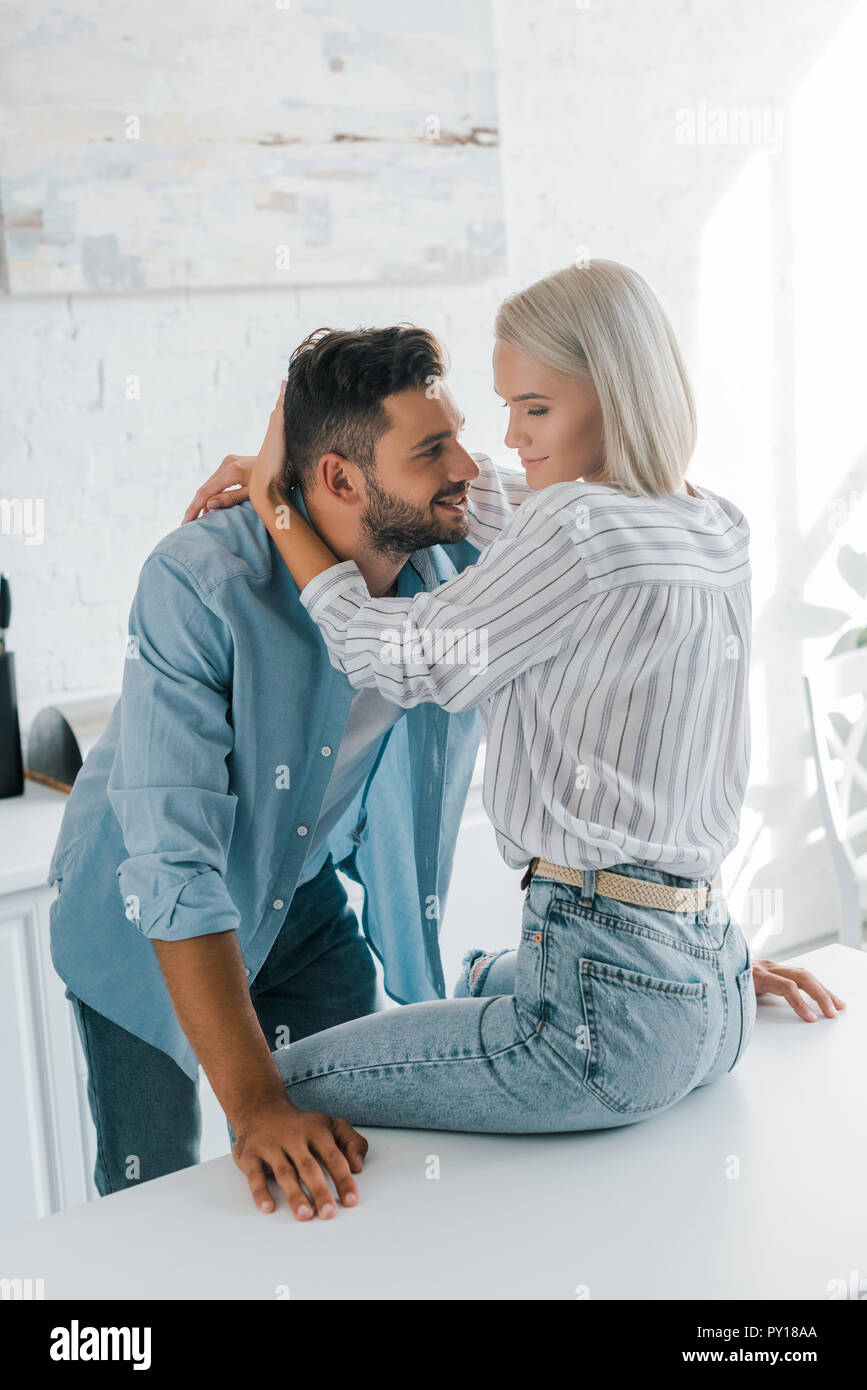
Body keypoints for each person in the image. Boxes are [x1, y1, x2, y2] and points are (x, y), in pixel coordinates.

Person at [194, 260, 846, 1219]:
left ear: (614, 391)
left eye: (532, 408)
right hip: (705, 976)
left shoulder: (576, 526)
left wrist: (282, 505)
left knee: (282, 1089)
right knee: (467, 984)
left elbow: (402, 655)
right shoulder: (710, 522)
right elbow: (492, 503)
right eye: (501, 409)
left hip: (609, 999)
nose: (504, 440)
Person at [48, 326, 497, 1220]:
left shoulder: (460, 560)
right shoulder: (202, 580)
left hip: (303, 895)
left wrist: (674, 934)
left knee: (347, 1159)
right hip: (148, 918)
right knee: (161, 1203)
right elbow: (173, 862)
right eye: (431, 449)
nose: (468, 468)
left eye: (458, 435)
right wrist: (253, 1106)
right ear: (339, 479)